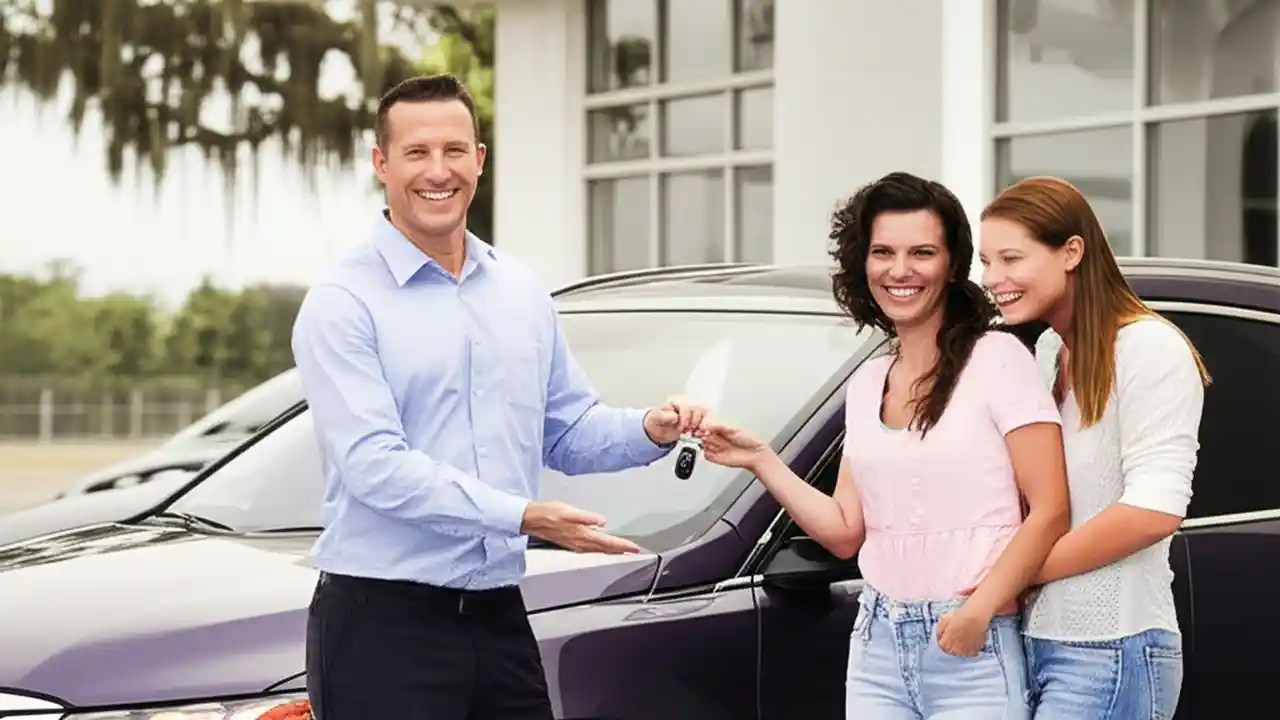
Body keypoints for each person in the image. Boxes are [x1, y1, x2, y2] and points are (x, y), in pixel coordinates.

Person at [290, 73, 708, 720]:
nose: (438, 171)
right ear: (381, 163)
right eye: (417, 152)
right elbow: (374, 466)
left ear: (479, 160)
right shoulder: (342, 303)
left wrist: (649, 429)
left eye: (454, 150)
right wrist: (522, 516)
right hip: (381, 627)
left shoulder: (520, 290)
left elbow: (566, 429)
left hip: (498, 618)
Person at [696, 171, 1070, 718]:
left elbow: (1051, 509)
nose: (900, 270)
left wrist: (980, 610)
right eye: (882, 252)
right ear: (862, 262)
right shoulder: (869, 382)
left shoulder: (997, 359)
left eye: (922, 252)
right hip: (878, 644)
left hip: (972, 641)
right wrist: (760, 460)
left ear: (952, 264)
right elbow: (845, 530)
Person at [979, 175, 1210, 719]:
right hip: (1034, 643)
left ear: (1071, 252)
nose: (992, 279)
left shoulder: (1149, 348)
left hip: (1112, 649)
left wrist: (1017, 573)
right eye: (986, 262)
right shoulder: (1047, 351)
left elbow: (1153, 511)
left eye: (1011, 259)